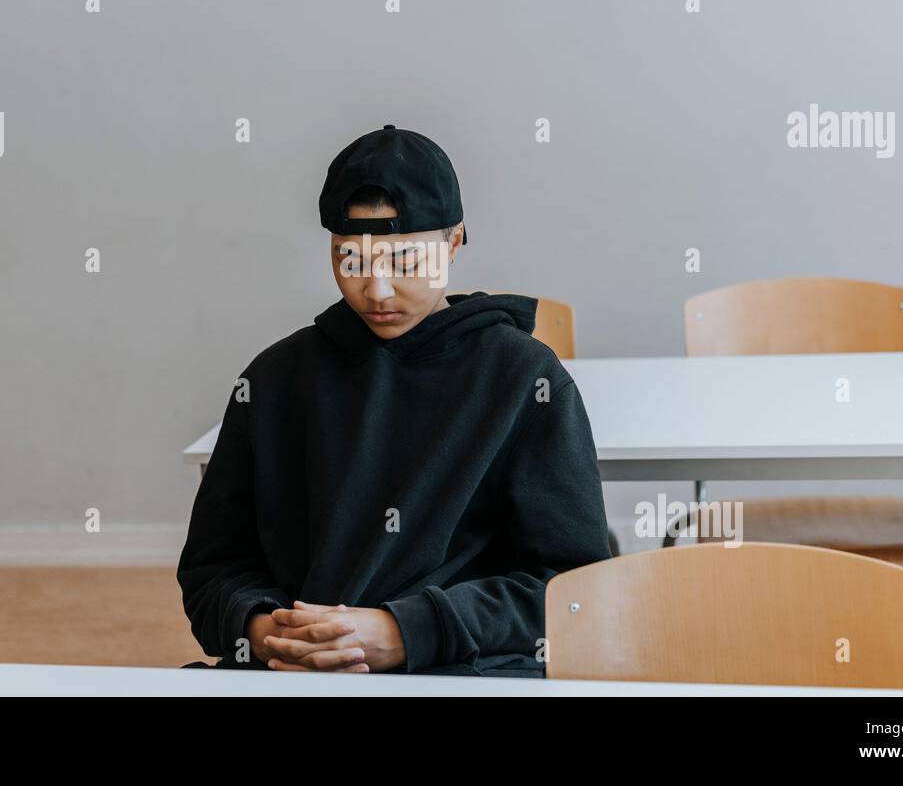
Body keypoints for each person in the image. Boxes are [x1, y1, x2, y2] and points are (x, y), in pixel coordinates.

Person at [176, 124, 610, 676]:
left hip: (462, 671)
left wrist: (406, 632)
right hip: (291, 675)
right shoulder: (273, 379)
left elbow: (574, 587)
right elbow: (212, 569)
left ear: (453, 243)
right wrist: (266, 631)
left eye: (405, 262)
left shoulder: (523, 379)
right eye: (350, 261)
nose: (376, 290)